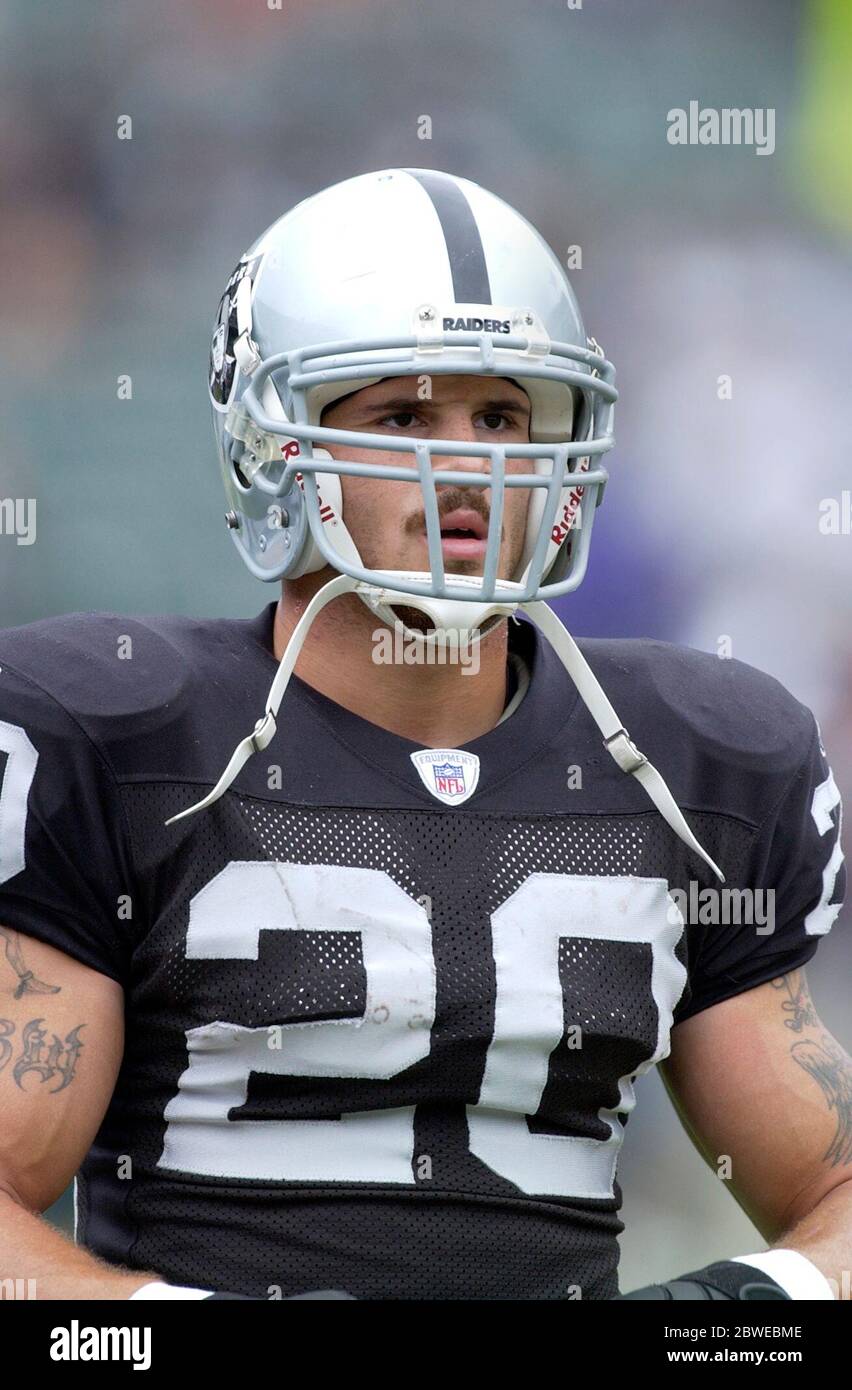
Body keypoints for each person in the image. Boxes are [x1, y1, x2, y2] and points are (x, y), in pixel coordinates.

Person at [0, 169, 846, 1301]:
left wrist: (734, 1318)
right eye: (404, 415)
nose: (470, 463)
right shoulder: (118, 734)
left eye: (501, 414)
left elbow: (833, 1197)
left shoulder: (697, 759)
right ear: (274, 448)